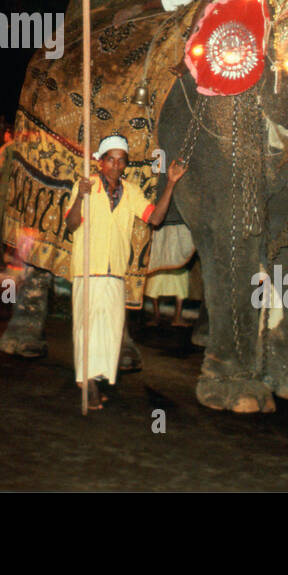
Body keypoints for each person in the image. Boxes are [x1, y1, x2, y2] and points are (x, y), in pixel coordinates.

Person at [63, 135, 185, 409]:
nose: (115, 165)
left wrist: (172, 183)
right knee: (87, 329)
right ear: (101, 163)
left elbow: (155, 218)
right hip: (88, 270)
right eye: (110, 160)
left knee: (110, 332)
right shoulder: (86, 186)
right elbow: (71, 225)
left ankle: (96, 377)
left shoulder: (130, 192)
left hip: (115, 272)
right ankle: (89, 384)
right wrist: (81, 198)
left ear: (125, 164)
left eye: (121, 160)